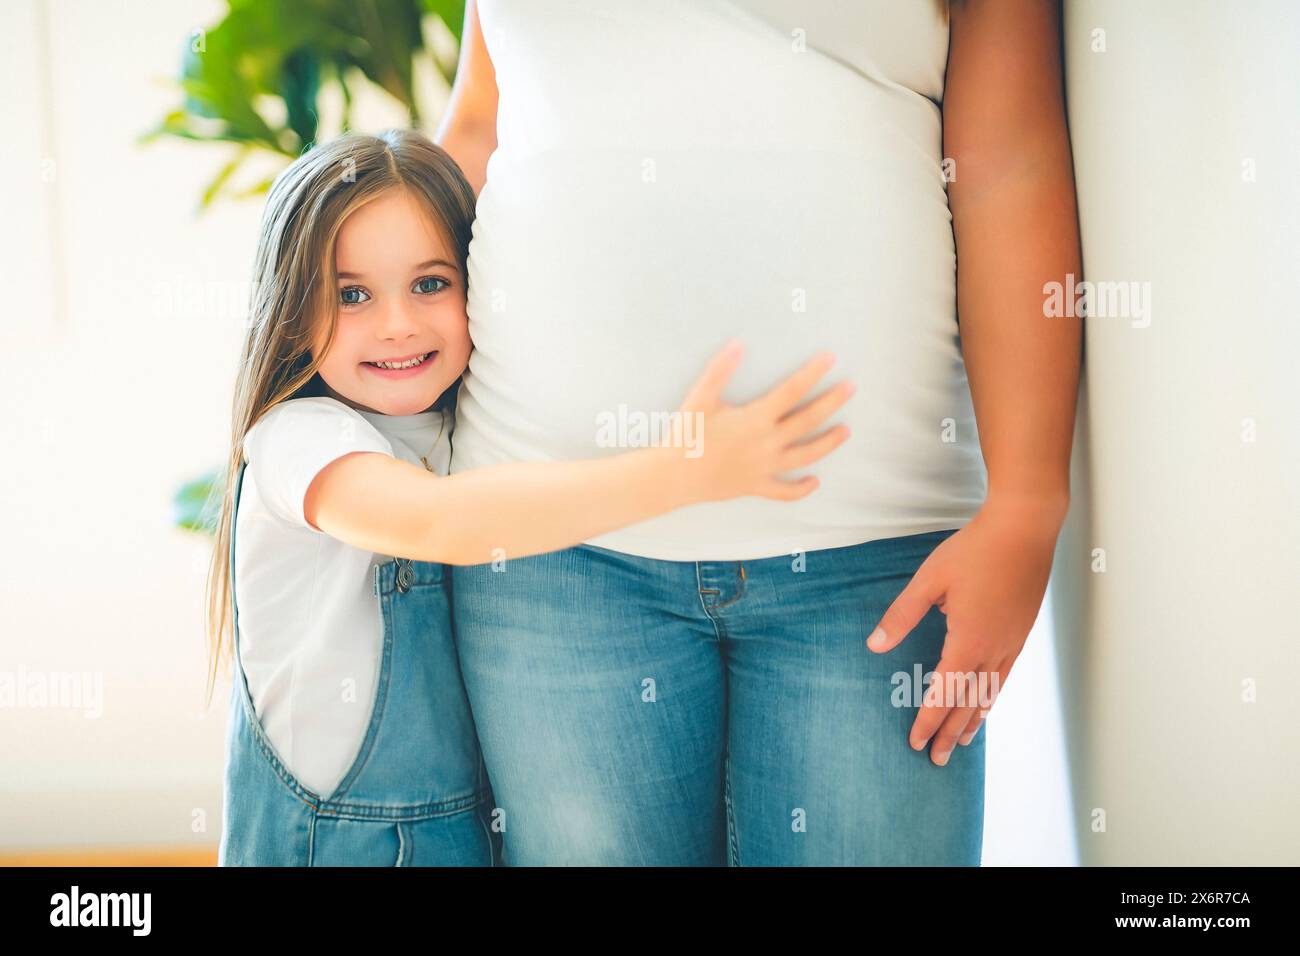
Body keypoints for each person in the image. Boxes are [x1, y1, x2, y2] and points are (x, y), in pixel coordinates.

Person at [436, 0, 1082, 864]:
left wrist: (1029, 503)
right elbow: (480, 123)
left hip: (877, 555)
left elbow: (1010, 162)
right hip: (550, 540)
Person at [204, 128, 854, 866]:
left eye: (430, 283)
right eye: (351, 294)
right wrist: (685, 470)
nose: (397, 324)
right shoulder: (300, 439)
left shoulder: (458, 429)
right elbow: (441, 522)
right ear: (291, 312)